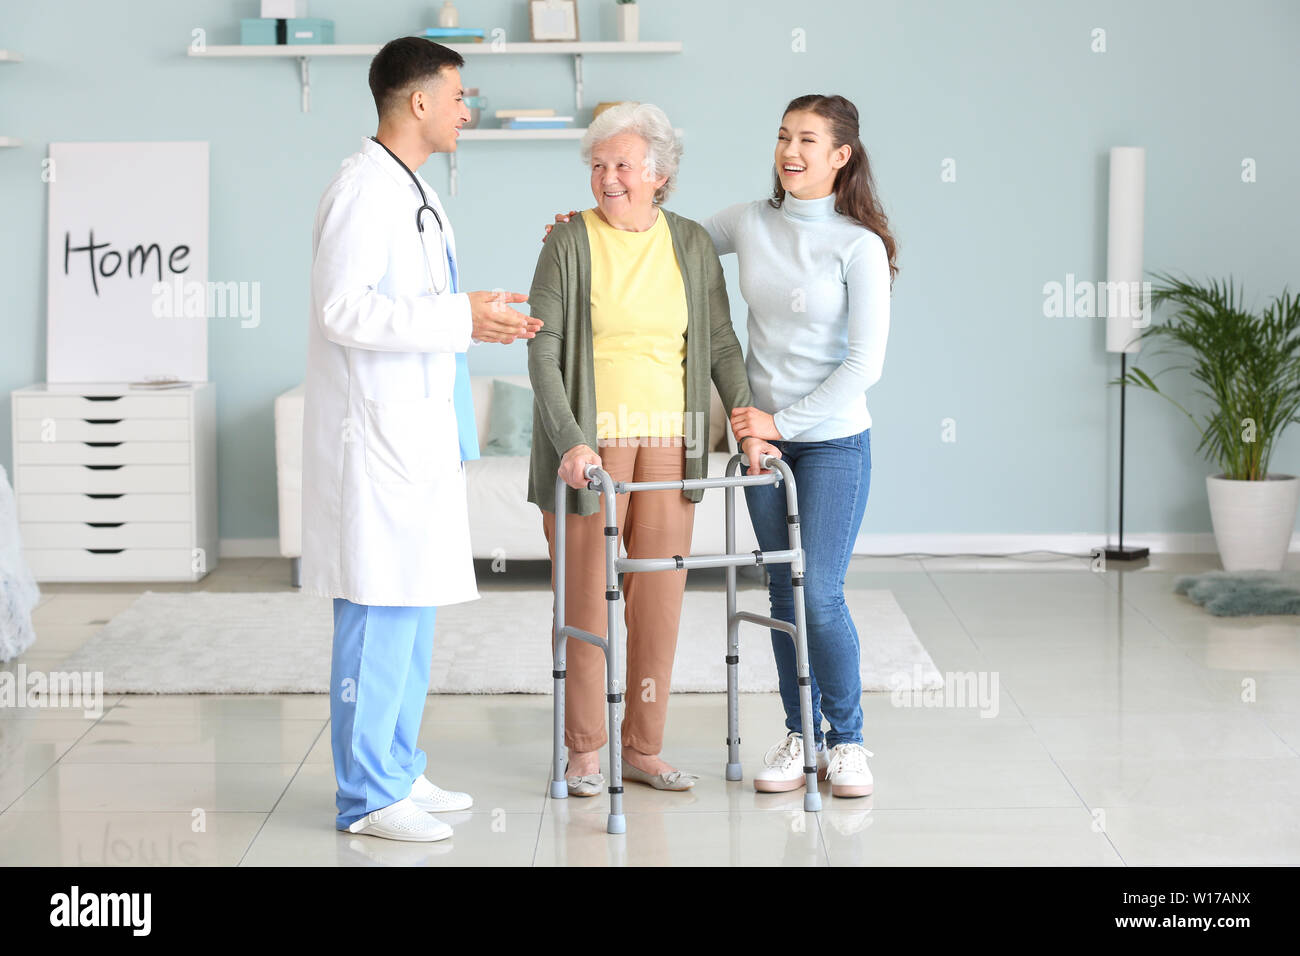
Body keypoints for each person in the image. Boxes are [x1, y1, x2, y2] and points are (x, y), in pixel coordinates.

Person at [543, 93, 895, 799]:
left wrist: (767, 421)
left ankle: (845, 741)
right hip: (731, 438)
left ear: (840, 155)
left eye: (807, 140)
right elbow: (658, 239)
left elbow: (860, 365)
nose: (790, 151)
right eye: (783, 136)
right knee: (770, 592)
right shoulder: (741, 223)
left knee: (815, 594)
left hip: (819, 440)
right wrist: (582, 224)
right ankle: (790, 736)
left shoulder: (858, 245)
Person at [301, 37, 541, 843]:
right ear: (418, 102)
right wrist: (454, 316)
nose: (468, 109)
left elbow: (423, 307)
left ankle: (398, 767)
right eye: (460, 95)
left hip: (415, 434)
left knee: (414, 609)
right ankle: (366, 795)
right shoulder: (361, 190)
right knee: (379, 608)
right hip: (374, 440)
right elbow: (343, 310)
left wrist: (477, 316)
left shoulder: (413, 191)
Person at [527, 102, 781, 797]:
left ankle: (643, 746)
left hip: (672, 441)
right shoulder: (569, 241)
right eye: (598, 165)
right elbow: (543, 350)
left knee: (660, 600)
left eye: (621, 165)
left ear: (659, 175)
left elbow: (722, 344)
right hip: (592, 450)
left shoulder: (692, 244)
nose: (607, 179)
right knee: (584, 600)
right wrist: (571, 442)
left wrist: (745, 420)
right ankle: (583, 752)